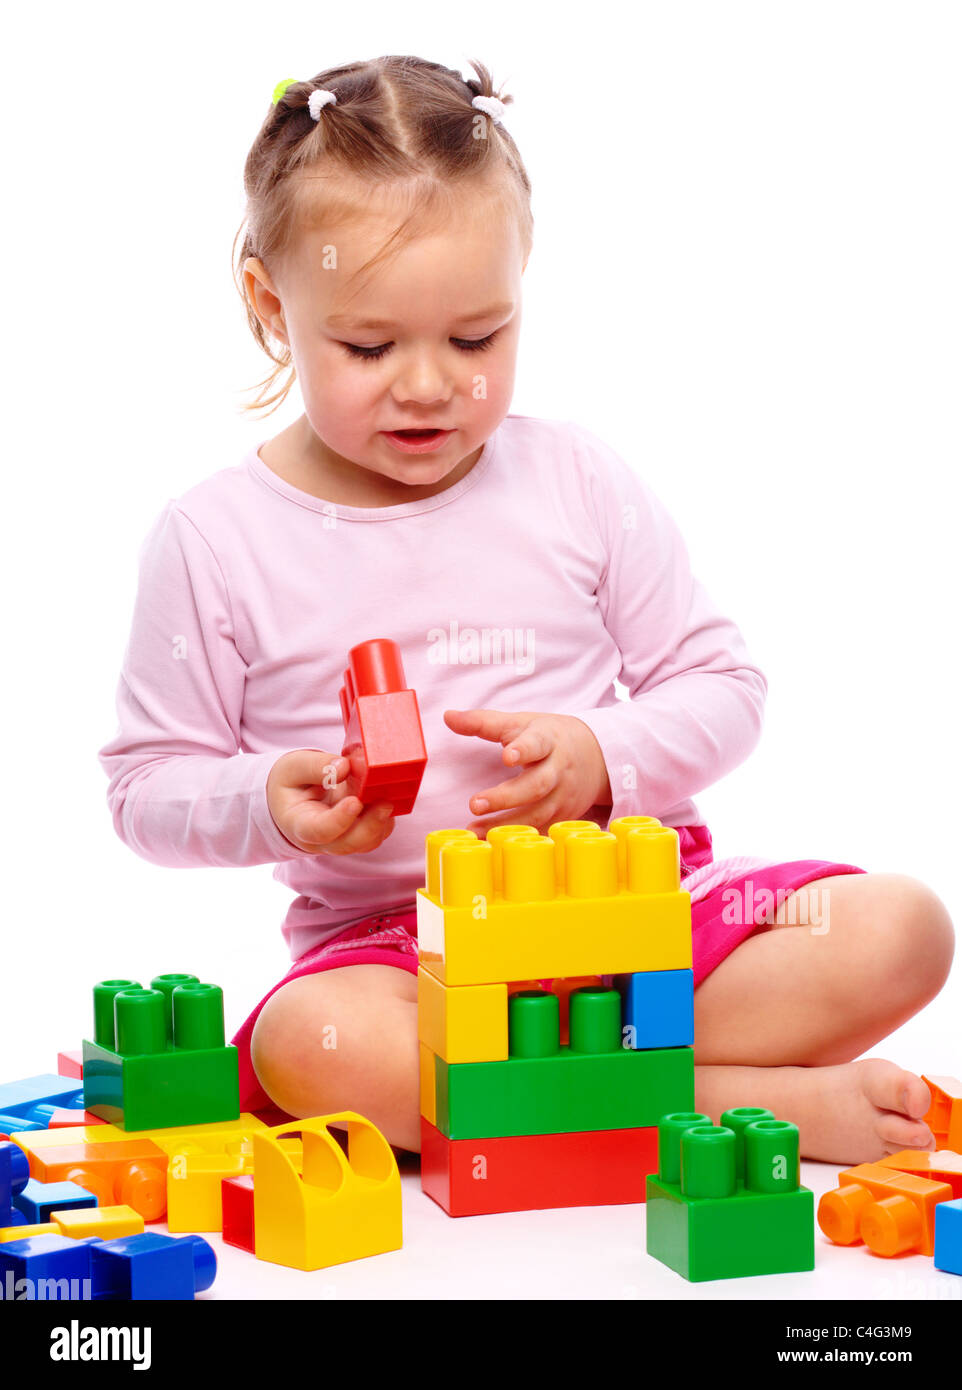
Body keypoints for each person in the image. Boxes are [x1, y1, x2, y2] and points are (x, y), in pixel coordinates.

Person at [98, 55, 953, 1162]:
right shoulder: (216, 538)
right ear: (272, 301)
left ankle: (582, 1095)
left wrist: (601, 750)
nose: (425, 384)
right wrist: (268, 796)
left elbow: (724, 686)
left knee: (898, 928)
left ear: (521, 287)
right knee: (310, 1046)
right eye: (367, 345)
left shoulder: (574, 480)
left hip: (642, 914)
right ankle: (742, 1101)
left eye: (475, 338)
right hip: (395, 954)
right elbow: (144, 786)